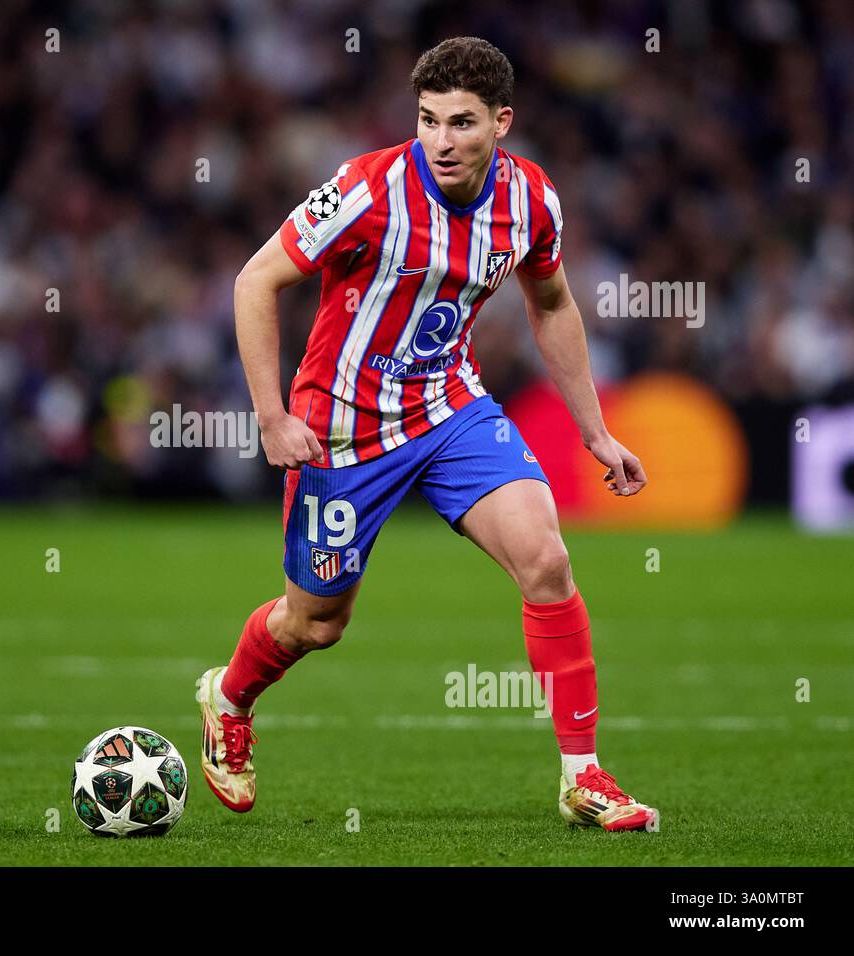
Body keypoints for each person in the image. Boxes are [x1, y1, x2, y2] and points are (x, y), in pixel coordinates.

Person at [196, 36, 658, 832]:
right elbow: (255, 279)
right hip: (340, 431)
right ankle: (228, 697)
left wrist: (596, 432)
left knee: (546, 558)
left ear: (501, 123)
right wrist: (271, 416)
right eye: (428, 120)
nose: (442, 140)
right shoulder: (365, 189)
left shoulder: (532, 201)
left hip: (449, 411)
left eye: (462, 123)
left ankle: (583, 777)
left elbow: (552, 305)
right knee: (317, 622)